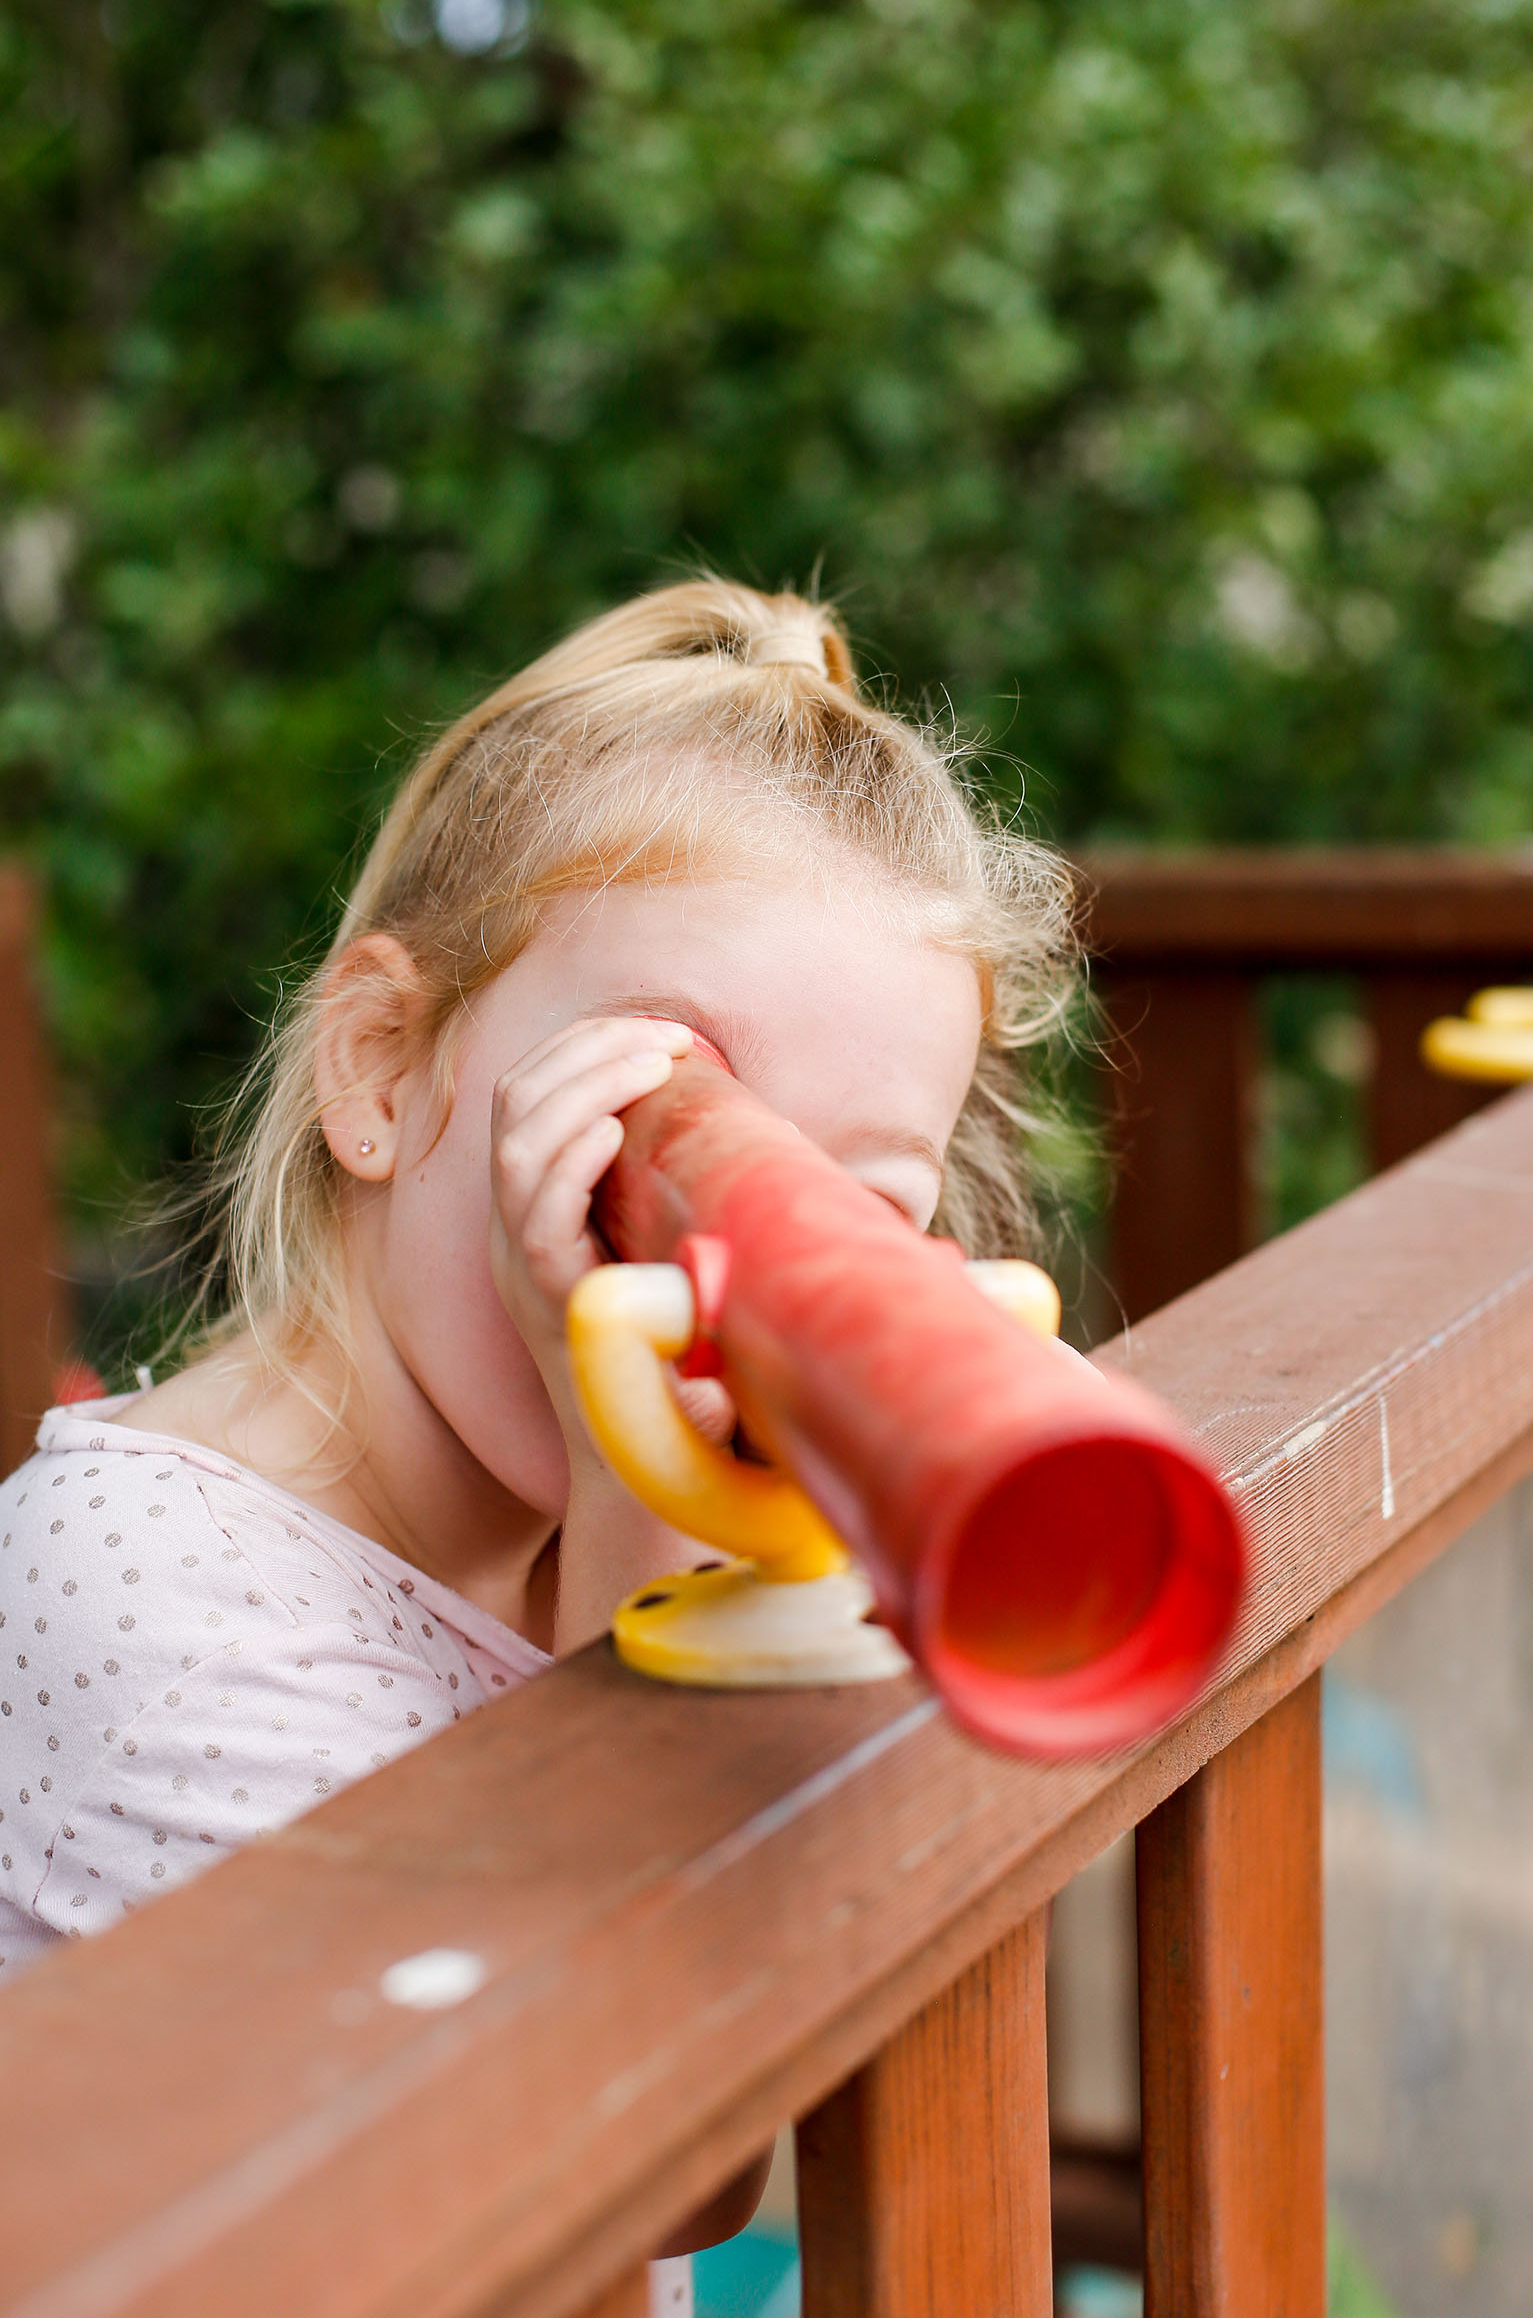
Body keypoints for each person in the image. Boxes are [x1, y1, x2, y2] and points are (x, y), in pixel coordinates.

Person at [0, 578, 1077, 2281]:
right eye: (659, 1133)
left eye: (848, 1212)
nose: (720, 1276)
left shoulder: (597, 1533)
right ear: (379, 1069)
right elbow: (648, 2170)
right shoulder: (166, 1613)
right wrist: (632, 1456)